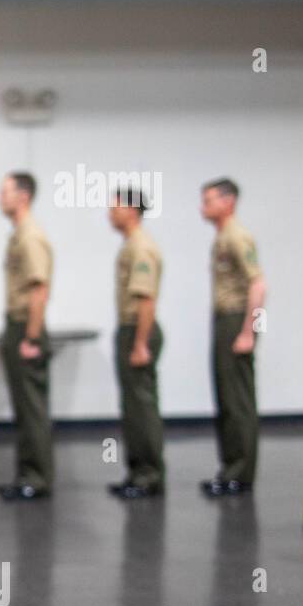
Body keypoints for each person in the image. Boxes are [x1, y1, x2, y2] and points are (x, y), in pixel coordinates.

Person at [199, 178, 265, 496]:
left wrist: (251, 332)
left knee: (238, 401)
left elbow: (259, 286)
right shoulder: (224, 237)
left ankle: (241, 472)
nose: (203, 207)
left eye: (209, 200)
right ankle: (229, 469)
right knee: (226, 399)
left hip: (237, 320)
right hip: (226, 321)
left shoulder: (238, 237)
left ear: (228, 202)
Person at [0, 171, 54, 501]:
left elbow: (39, 289)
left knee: (32, 408)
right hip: (18, 325)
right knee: (25, 406)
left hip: (25, 328)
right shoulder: (20, 234)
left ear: (23, 196)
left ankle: (37, 477)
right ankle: (28, 474)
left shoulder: (30, 236)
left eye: (5, 191)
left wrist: (31, 338)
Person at [107, 186, 165, 499]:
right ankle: (138, 471)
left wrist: (141, 343)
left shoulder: (141, 247)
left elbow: (146, 299)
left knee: (141, 408)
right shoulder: (132, 244)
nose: (109, 212)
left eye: (114, 206)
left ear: (131, 210)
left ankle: (149, 475)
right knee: (133, 407)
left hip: (137, 331)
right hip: (130, 330)